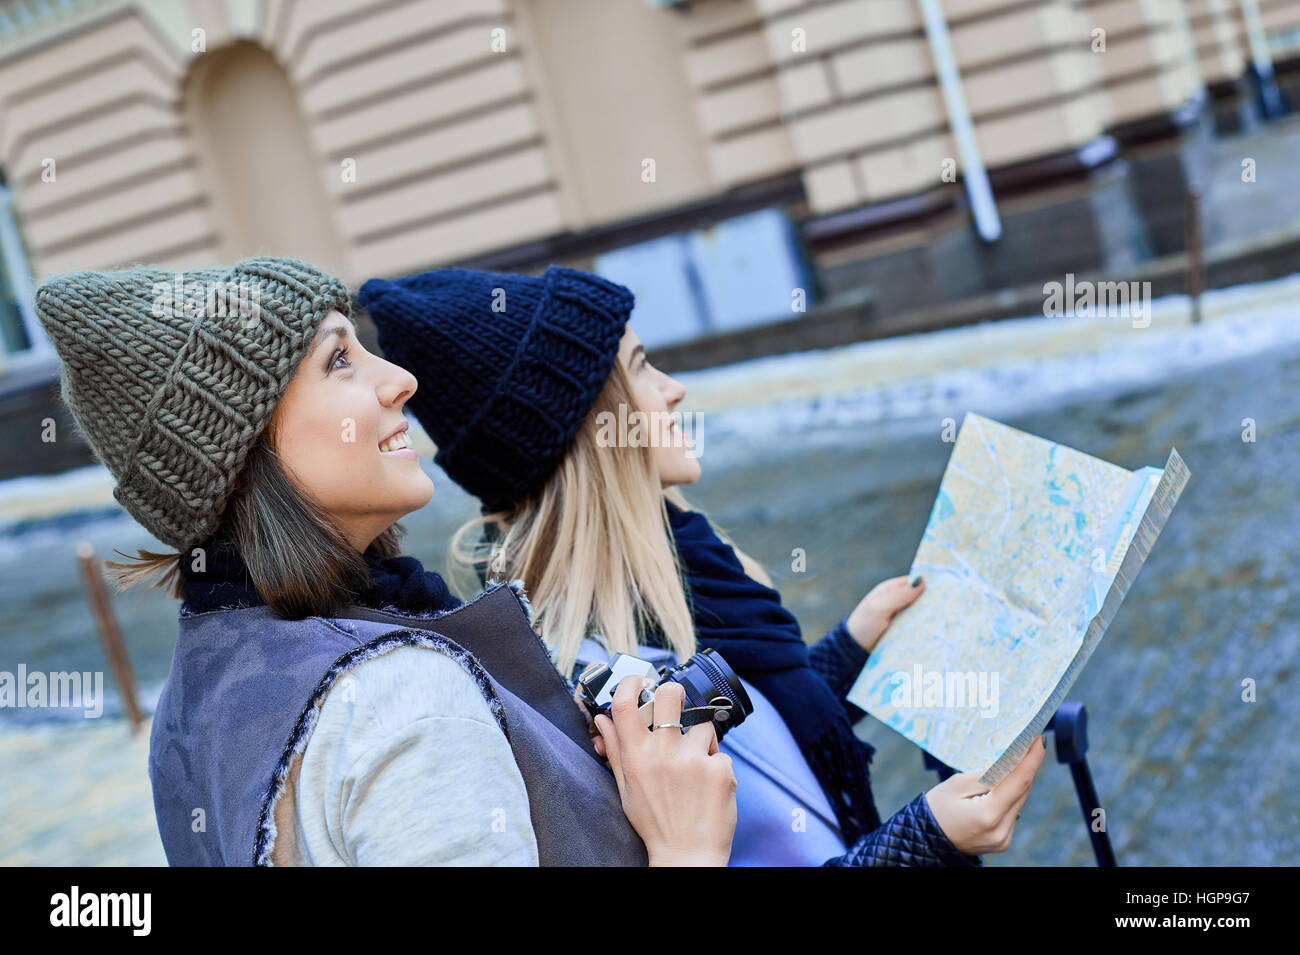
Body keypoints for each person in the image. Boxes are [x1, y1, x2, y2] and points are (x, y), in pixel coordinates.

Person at [34, 257, 736, 867]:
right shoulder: (402, 699)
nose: (399, 380)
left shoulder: (193, 703)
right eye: (339, 360)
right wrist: (685, 851)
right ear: (242, 451)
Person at [356, 265, 1046, 867]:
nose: (675, 389)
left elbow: (764, 745)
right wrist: (926, 840)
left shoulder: (684, 576)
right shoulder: (601, 681)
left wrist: (850, 647)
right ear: (599, 431)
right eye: (645, 368)